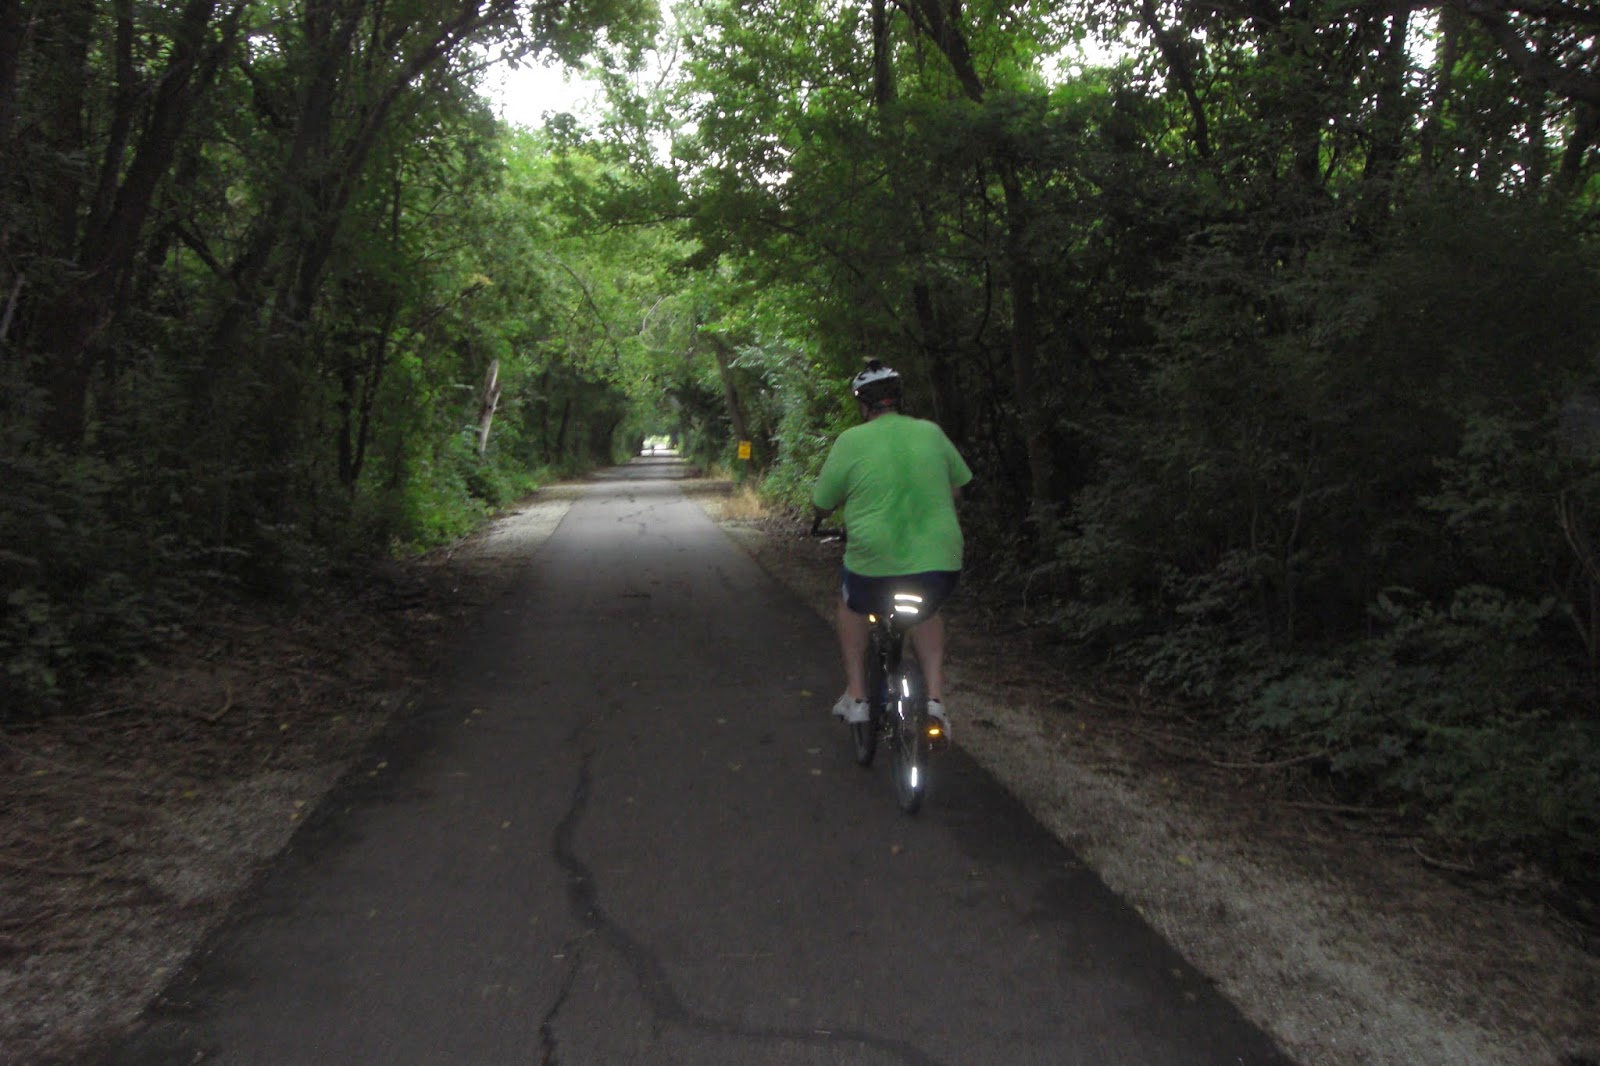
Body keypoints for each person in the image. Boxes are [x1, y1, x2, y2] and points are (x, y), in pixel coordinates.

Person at [811, 360, 973, 738]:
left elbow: (822, 501)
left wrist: (821, 516)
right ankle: (934, 701)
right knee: (926, 611)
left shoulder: (851, 441)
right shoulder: (931, 433)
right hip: (940, 563)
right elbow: (958, 488)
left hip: (873, 566)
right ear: (898, 400)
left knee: (851, 604)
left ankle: (858, 697)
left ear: (864, 406)